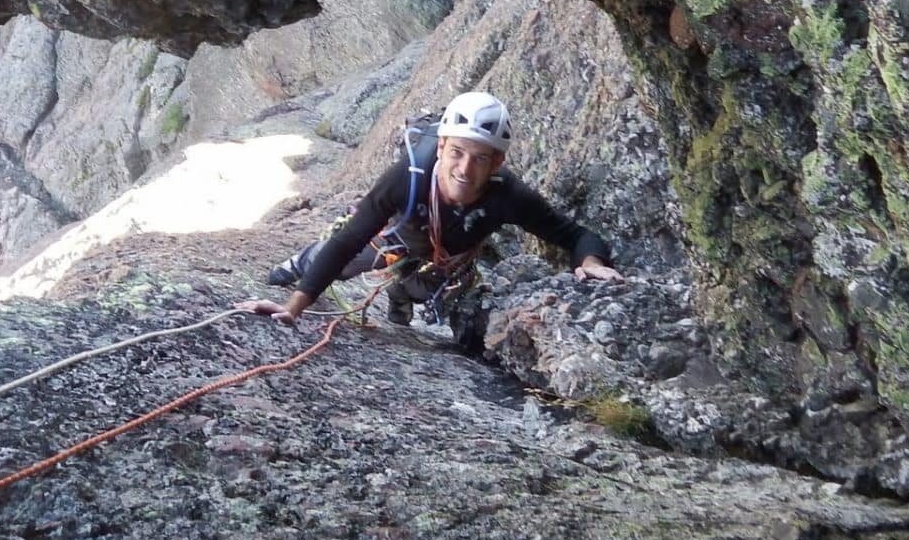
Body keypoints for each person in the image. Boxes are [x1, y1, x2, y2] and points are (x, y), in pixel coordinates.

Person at [238, 90, 622, 355]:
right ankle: (299, 263)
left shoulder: (508, 196)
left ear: (497, 164)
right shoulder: (407, 176)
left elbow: (574, 235)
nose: (465, 168)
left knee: (439, 299)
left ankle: (404, 290)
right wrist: (294, 307)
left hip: (445, 263)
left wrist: (591, 263)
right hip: (394, 240)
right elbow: (349, 240)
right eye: (456, 152)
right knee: (336, 257)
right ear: (441, 147)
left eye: (480, 159)